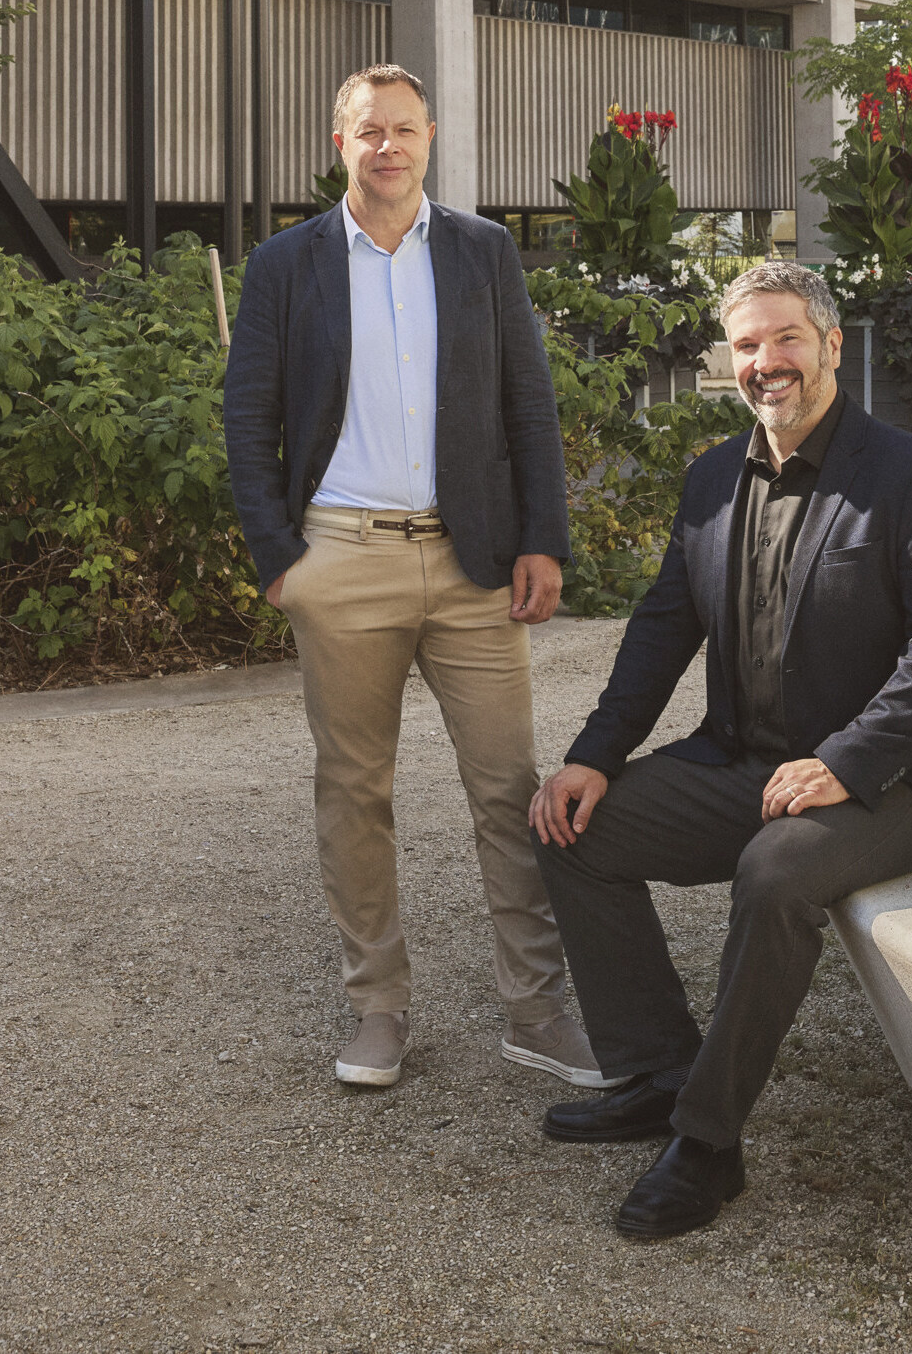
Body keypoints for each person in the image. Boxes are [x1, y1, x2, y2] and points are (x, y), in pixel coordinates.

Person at [525, 258, 912, 1239]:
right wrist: (593, 756)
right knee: (572, 830)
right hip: (744, 762)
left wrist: (848, 759)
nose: (765, 360)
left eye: (785, 338)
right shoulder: (709, 481)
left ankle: (705, 1142)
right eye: (745, 344)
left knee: (776, 877)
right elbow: (659, 629)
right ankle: (656, 1073)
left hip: (894, 783)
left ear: (828, 343)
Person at [220, 64, 602, 1094]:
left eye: (402, 129)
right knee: (354, 792)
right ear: (337, 142)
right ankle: (376, 1006)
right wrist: (279, 562)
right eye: (365, 131)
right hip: (337, 559)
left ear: (429, 137)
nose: (385, 146)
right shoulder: (283, 265)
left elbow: (528, 404)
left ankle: (536, 1007)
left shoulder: (481, 252)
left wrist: (542, 540)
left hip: (472, 563)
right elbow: (247, 418)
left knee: (506, 789)